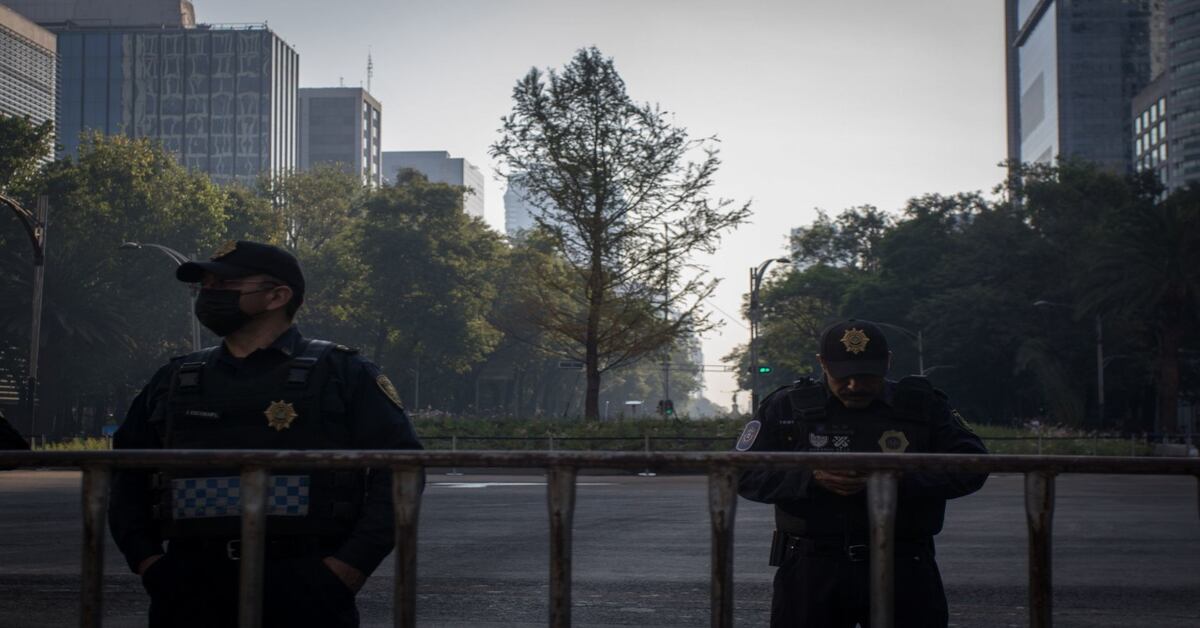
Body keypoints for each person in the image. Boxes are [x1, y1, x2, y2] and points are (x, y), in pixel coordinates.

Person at [109, 240, 423, 628]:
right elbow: (124, 469)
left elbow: (402, 468)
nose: (209, 295)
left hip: (305, 578)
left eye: (224, 285)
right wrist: (147, 561)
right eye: (204, 286)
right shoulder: (175, 378)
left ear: (278, 296)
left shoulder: (343, 373)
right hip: (189, 579)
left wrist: (348, 567)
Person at [736, 319, 987, 628]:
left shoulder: (923, 406)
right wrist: (810, 479)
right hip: (812, 566)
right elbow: (742, 472)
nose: (855, 386)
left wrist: (898, 480)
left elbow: (973, 465)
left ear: (888, 363)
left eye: (868, 375)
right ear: (822, 364)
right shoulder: (786, 408)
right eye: (844, 376)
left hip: (905, 565)